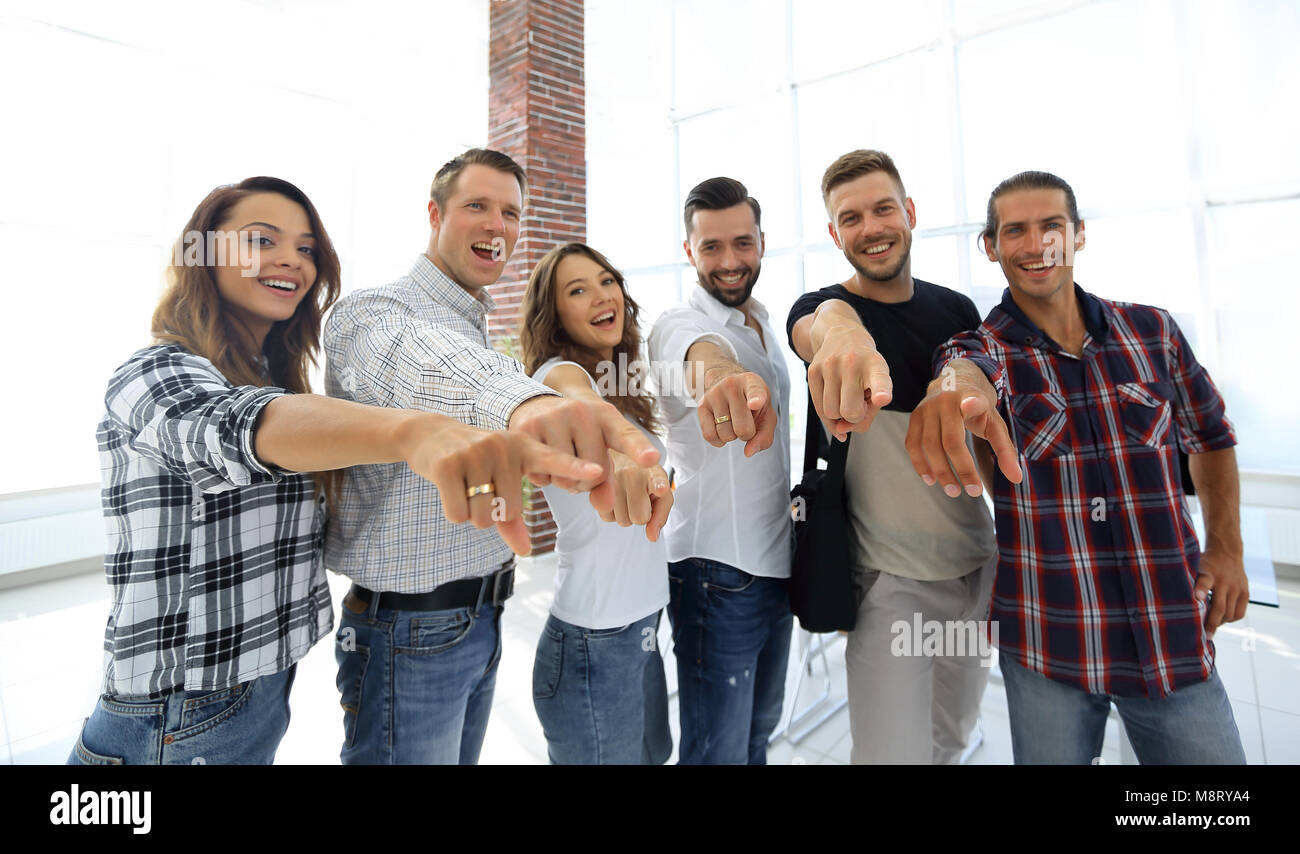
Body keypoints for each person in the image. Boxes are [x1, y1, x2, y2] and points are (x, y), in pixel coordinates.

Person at [71, 177, 594, 765]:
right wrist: (410, 430)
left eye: (306, 249)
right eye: (261, 240)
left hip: (255, 694)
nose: (290, 260)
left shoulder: (275, 381)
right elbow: (237, 425)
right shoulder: (152, 372)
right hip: (171, 714)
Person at [325, 149, 660, 765]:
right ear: (434, 213)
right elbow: (423, 362)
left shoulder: (478, 330)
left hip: (479, 618)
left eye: (510, 212)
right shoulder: (373, 313)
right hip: (409, 630)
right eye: (477, 205)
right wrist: (526, 403)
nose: (497, 225)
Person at [908, 170, 1248, 764]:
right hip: (1048, 646)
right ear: (990, 246)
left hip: (1171, 632)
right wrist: (958, 387)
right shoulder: (985, 348)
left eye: (1051, 227)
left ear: (1078, 235)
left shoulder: (1155, 333)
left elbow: (1211, 437)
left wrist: (1227, 548)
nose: (1036, 244)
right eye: (1015, 230)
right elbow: (962, 367)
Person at [786, 150, 999, 764]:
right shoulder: (820, 308)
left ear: (909, 212)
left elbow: (982, 428)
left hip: (974, 566)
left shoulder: (956, 310)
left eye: (883, 208)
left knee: (952, 738)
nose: (870, 227)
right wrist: (845, 334)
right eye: (850, 218)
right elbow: (821, 326)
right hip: (889, 585)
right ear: (834, 234)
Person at [646, 177, 792, 765]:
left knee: (757, 738)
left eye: (741, 243)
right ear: (689, 251)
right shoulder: (674, 326)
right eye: (711, 248)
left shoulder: (760, 319)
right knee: (717, 754)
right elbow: (702, 356)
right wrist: (724, 379)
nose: (729, 262)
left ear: (761, 242)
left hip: (775, 563)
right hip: (717, 575)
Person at [519, 242, 674, 764]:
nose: (600, 295)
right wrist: (615, 446)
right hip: (592, 641)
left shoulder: (625, 387)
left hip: (641, 626)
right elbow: (574, 394)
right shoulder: (556, 379)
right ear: (555, 314)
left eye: (606, 281)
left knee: (657, 755)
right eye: (577, 290)